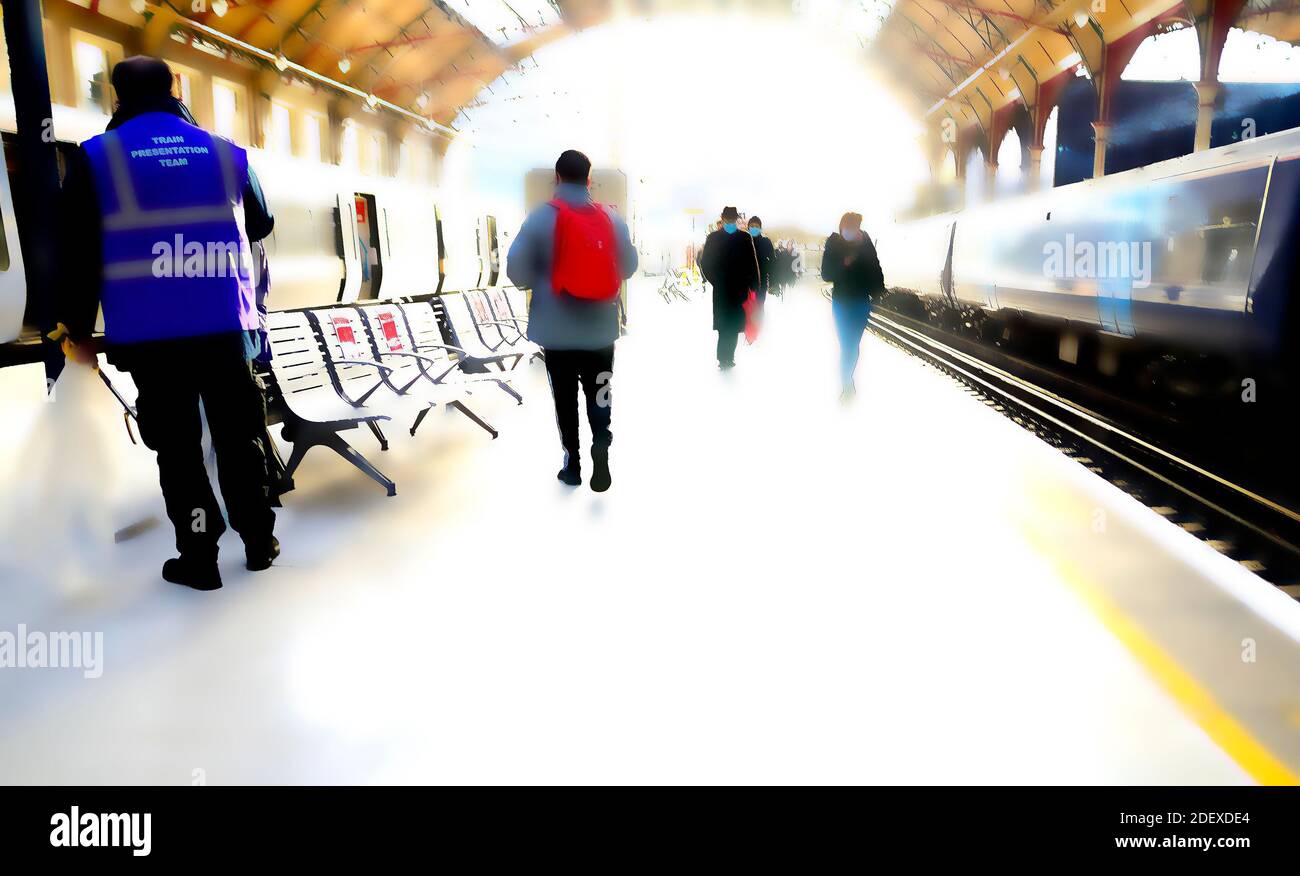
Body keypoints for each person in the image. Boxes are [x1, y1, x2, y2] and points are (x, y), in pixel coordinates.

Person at [57, 56, 279, 591]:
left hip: (152, 333)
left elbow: (78, 253)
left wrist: (79, 330)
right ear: (174, 88)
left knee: (178, 450)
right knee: (238, 434)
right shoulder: (225, 154)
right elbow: (263, 221)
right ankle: (258, 541)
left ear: (116, 96)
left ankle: (200, 558)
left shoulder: (97, 158)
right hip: (226, 324)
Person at [507, 149, 638, 492]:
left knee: (564, 399)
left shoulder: (539, 218)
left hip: (557, 333)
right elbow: (629, 268)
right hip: (601, 330)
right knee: (601, 390)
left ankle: (573, 464)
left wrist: (543, 274)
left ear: (558, 177)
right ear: (589, 179)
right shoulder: (612, 220)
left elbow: (515, 272)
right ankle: (602, 440)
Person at [822, 212, 884, 400]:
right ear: (841, 227)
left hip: (860, 302)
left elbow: (875, 268)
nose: (850, 231)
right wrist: (844, 263)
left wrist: (879, 292)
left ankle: (847, 382)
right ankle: (847, 384)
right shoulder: (833, 244)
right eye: (847, 228)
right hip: (841, 302)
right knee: (846, 345)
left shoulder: (866, 244)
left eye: (854, 227)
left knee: (852, 345)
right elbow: (826, 274)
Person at [699, 206, 759, 370]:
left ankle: (725, 357)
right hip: (735, 289)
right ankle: (726, 357)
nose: (731, 223)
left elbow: (705, 264)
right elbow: (752, 265)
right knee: (729, 325)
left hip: (723, 290)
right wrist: (753, 284)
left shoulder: (714, 238)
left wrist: (715, 280)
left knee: (726, 325)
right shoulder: (744, 238)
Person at [748, 216, 775, 306]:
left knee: (759, 307)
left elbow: (773, 262)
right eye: (752, 226)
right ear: (748, 228)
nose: (754, 228)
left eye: (756, 226)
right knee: (749, 309)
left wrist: (772, 282)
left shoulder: (766, 242)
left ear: (760, 228)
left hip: (761, 282)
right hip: (748, 284)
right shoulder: (744, 242)